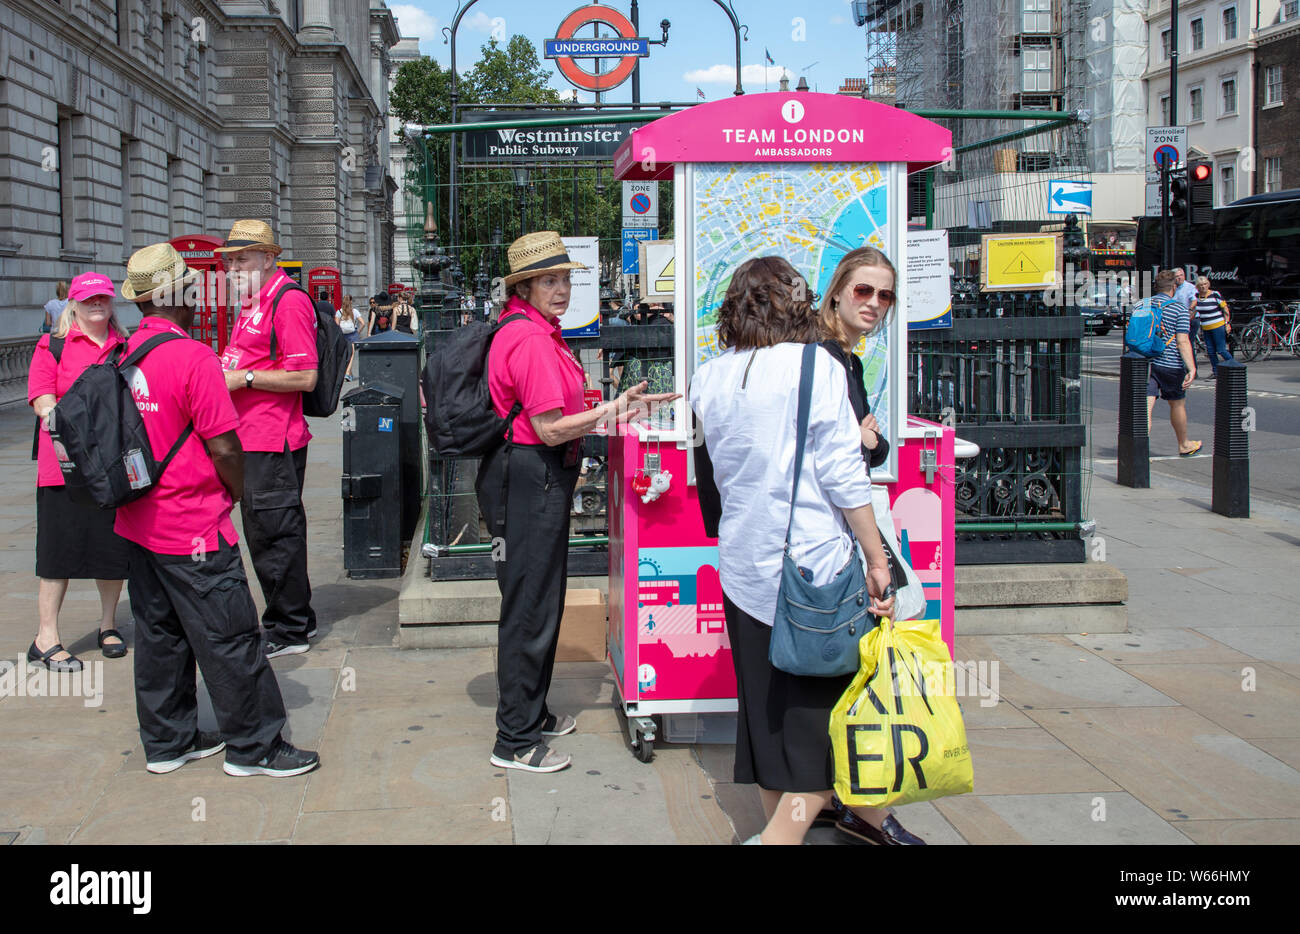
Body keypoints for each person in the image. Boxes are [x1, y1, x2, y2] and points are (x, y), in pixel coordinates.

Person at [688, 256, 902, 846]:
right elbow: (842, 474)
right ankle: (779, 841)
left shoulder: (709, 377)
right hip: (812, 570)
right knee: (823, 727)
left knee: (766, 716)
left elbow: (712, 476)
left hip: (742, 568)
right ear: (798, 304)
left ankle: (779, 830)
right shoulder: (815, 365)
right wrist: (878, 560)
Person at [115, 242, 319, 778]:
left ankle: (168, 741)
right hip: (193, 525)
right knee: (231, 637)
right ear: (180, 294)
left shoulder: (124, 354)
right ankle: (255, 746)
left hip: (137, 523)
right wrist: (232, 493)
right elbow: (227, 448)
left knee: (158, 636)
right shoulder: (192, 357)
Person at [476, 231, 676, 773]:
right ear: (524, 287)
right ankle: (514, 740)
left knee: (540, 599)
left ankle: (532, 713)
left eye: (565, 278)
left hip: (532, 476)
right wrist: (610, 413)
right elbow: (548, 427)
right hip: (531, 476)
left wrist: (614, 406)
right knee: (531, 607)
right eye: (549, 280)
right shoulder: (534, 341)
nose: (561, 289)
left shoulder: (540, 332)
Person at [215, 219, 319, 659]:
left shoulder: (287, 302)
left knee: (275, 533)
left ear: (268, 258)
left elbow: (306, 375)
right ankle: (290, 618)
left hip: (273, 439)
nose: (234, 267)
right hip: (250, 437)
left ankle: (289, 628)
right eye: (230, 261)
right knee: (264, 532)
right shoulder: (252, 301)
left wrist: (245, 378)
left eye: (242, 259)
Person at [26, 272, 130, 671]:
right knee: (57, 553)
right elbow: (42, 400)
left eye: (103, 298)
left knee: (112, 550)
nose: (97, 305)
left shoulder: (124, 346)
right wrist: (82, 429)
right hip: (65, 468)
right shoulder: (52, 345)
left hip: (112, 466)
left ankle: (108, 625)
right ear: (73, 304)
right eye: (88, 300)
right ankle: (45, 637)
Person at [818, 247, 894, 473]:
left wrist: (867, 439)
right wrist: (862, 437)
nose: (873, 303)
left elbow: (878, 451)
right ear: (837, 292)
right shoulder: (821, 355)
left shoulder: (853, 363)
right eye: (863, 291)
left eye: (884, 295)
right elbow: (824, 441)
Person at [1142, 269, 1201, 456]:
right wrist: (1191, 368)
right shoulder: (1179, 308)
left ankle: (1140, 451)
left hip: (1145, 364)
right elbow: (1183, 341)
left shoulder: (1143, 305)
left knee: (1146, 407)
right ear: (1173, 287)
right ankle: (1184, 444)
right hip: (1170, 364)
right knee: (1177, 404)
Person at [1193, 276, 1233, 377]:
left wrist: (1227, 323)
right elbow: (1193, 311)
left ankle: (1234, 366)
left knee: (1221, 350)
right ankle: (1216, 372)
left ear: (1208, 284)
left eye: (1205, 284)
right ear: (1197, 286)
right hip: (1206, 327)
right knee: (1210, 352)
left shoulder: (1215, 294)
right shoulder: (1196, 296)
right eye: (1201, 285)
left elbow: (1225, 309)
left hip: (1217, 326)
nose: (1203, 287)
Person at [1172, 267, 1198, 361]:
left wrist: (1190, 310)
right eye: (1177, 276)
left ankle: (1192, 370)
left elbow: (1194, 300)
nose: (1179, 278)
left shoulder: (1190, 287)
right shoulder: (1173, 288)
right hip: (1176, 319)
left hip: (1189, 319)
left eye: (1181, 275)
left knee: (1187, 344)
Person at [335, 295, 361, 381]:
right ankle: (347, 373)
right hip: (353, 335)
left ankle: (349, 374)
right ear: (351, 301)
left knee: (345, 354)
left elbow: (336, 325)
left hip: (343, 335)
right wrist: (358, 332)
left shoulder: (339, 312)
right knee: (352, 355)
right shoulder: (354, 311)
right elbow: (363, 323)